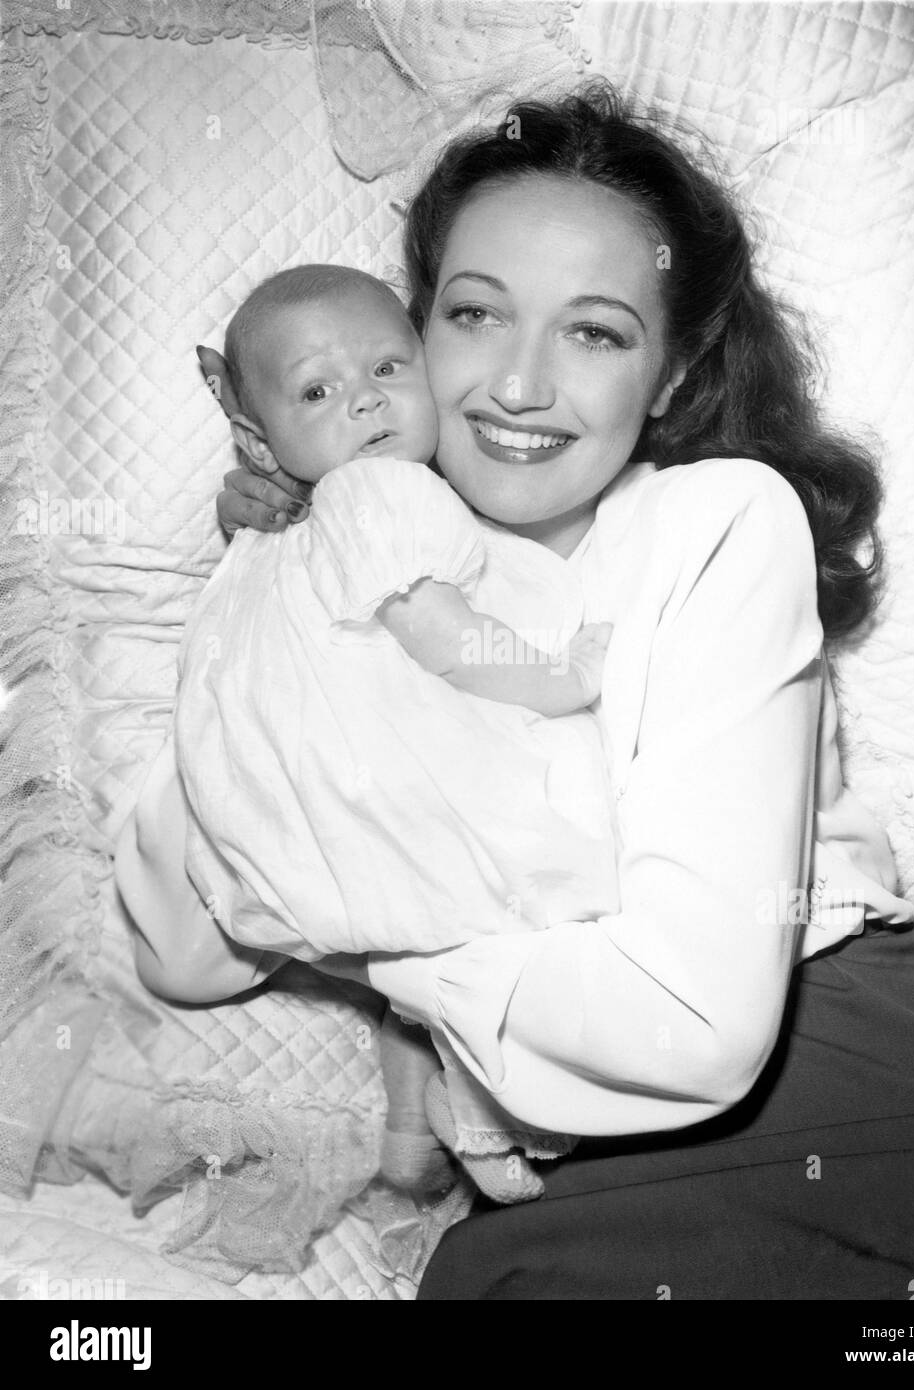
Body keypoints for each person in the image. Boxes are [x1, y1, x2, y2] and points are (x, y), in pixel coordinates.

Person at [116, 82, 914, 1299]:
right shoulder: (340, 567)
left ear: (670, 370)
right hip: (559, 1173)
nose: (519, 385)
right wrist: (266, 574)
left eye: (595, 331)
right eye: (475, 314)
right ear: (411, 325)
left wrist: (380, 953)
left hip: (836, 1090)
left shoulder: (714, 523)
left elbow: (691, 1023)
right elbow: (186, 936)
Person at [173, 263, 619, 1201]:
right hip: (378, 769)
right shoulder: (378, 494)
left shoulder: (295, 517)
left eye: (386, 369)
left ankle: (413, 1128)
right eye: (319, 392)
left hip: (276, 802)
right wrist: (560, 679)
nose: (366, 404)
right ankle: (494, 1115)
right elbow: (448, 642)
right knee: (508, 889)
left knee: (408, 959)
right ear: (258, 438)